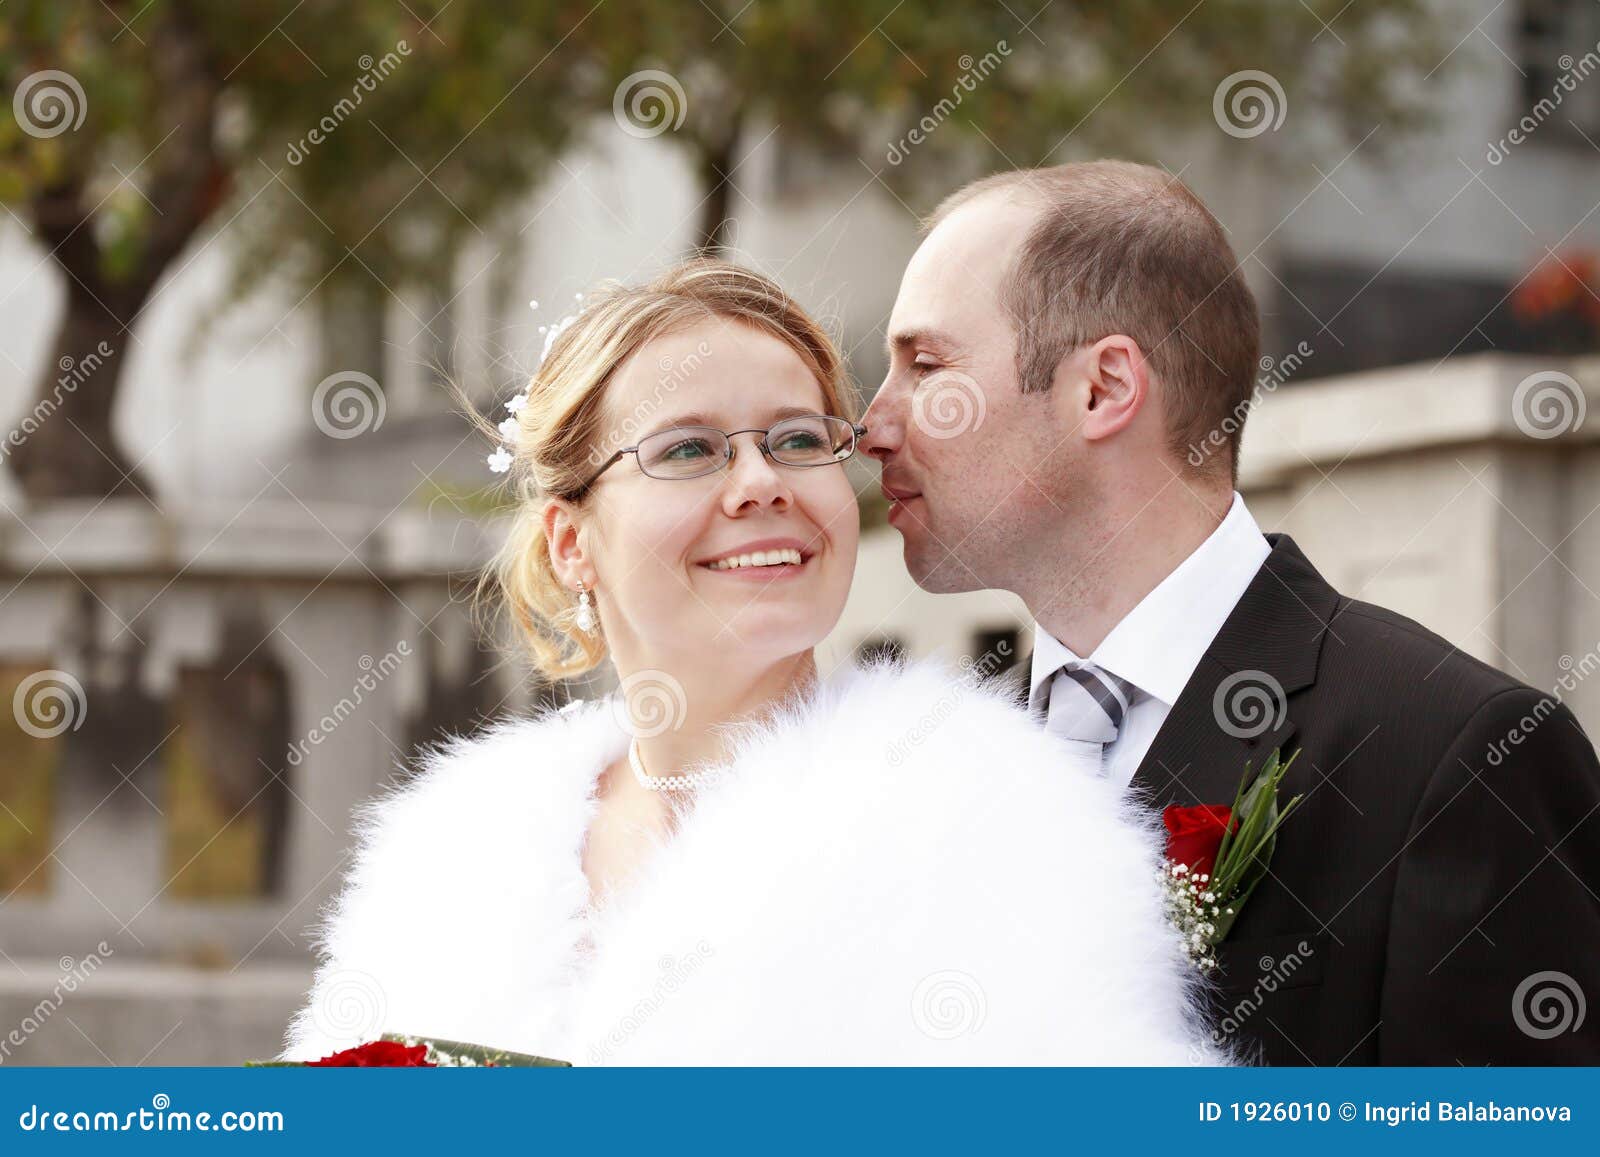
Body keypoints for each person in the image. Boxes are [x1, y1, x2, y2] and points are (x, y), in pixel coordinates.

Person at [282, 260, 1221, 1066]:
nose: (761, 482)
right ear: (571, 542)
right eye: (689, 449)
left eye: (799, 440)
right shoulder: (453, 852)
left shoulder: (991, 810)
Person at [861, 159, 1600, 1065]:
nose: (871, 425)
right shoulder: (947, 760)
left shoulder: (1457, 756)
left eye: (925, 366)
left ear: (1103, 388)